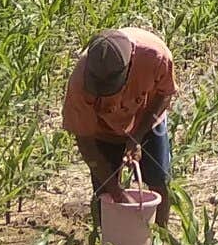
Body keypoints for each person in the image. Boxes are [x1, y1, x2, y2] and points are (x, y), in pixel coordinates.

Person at [62, 27, 178, 233]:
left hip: (147, 119)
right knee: (104, 192)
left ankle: (160, 239)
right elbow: (85, 140)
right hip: (103, 130)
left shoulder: (156, 56)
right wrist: (115, 191)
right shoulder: (79, 84)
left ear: (130, 64)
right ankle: (110, 244)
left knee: (159, 180)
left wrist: (138, 136)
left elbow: (165, 93)